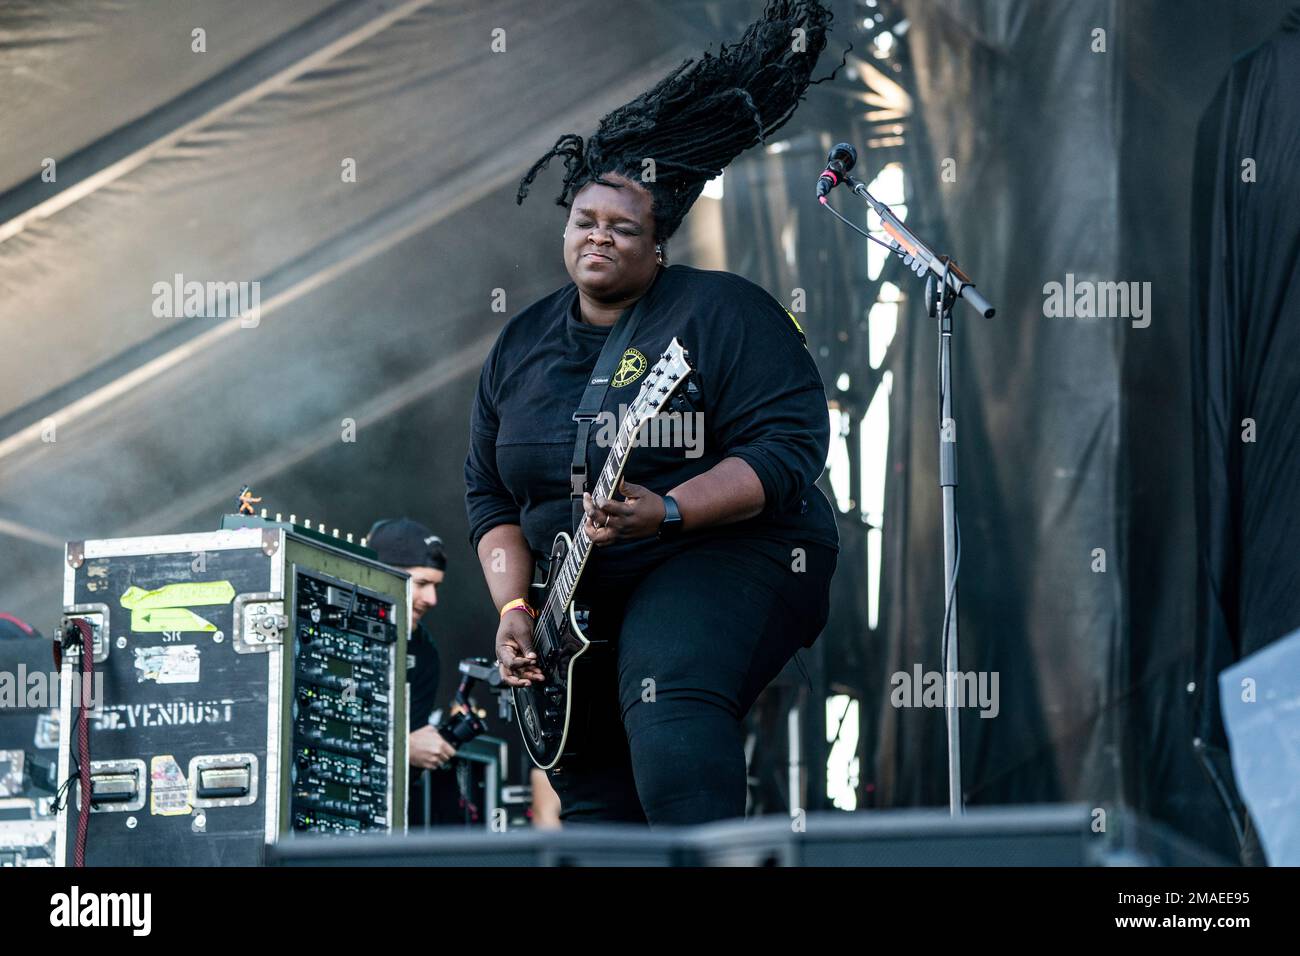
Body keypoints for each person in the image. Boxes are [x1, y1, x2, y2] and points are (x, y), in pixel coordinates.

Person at [464, 0, 841, 826]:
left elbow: (788, 450)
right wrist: (516, 608)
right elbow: (490, 498)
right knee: (594, 796)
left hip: (730, 548)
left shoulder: (721, 313)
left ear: (660, 240)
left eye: (622, 229)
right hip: (577, 594)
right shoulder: (519, 343)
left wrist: (668, 509)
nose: (597, 239)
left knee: (669, 715)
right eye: (583, 222)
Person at [365, 518, 458, 825]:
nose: (432, 599)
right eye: (421, 584)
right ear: (383, 575)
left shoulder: (424, 653)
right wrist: (399, 748)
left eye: (436, 586)